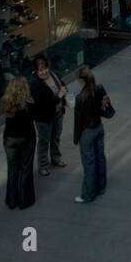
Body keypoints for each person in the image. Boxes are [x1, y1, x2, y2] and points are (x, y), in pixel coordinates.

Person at [72, 65, 110, 204]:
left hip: (87, 131)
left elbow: (78, 121)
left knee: (89, 163)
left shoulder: (80, 98)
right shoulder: (99, 89)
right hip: (99, 127)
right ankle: (101, 186)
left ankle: (88, 194)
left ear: (81, 80)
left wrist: (76, 138)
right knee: (100, 157)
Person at [0, 76, 36, 210]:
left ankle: (11, 200)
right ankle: (24, 200)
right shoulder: (28, 105)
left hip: (10, 139)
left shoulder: (6, 103)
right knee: (25, 168)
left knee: (12, 169)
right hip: (26, 138)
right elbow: (35, 116)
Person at [29, 56, 68, 177]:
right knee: (44, 141)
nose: (44, 72)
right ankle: (43, 165)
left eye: (45, 69)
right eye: (41, 70)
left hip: (57, 113)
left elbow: (62, 84)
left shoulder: (54, 75)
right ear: (36, 71)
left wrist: (64, 90)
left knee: (56, 137)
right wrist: (59, 96)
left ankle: (56, 158)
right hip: (44, 117)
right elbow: (42, 103)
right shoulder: (35, 83)